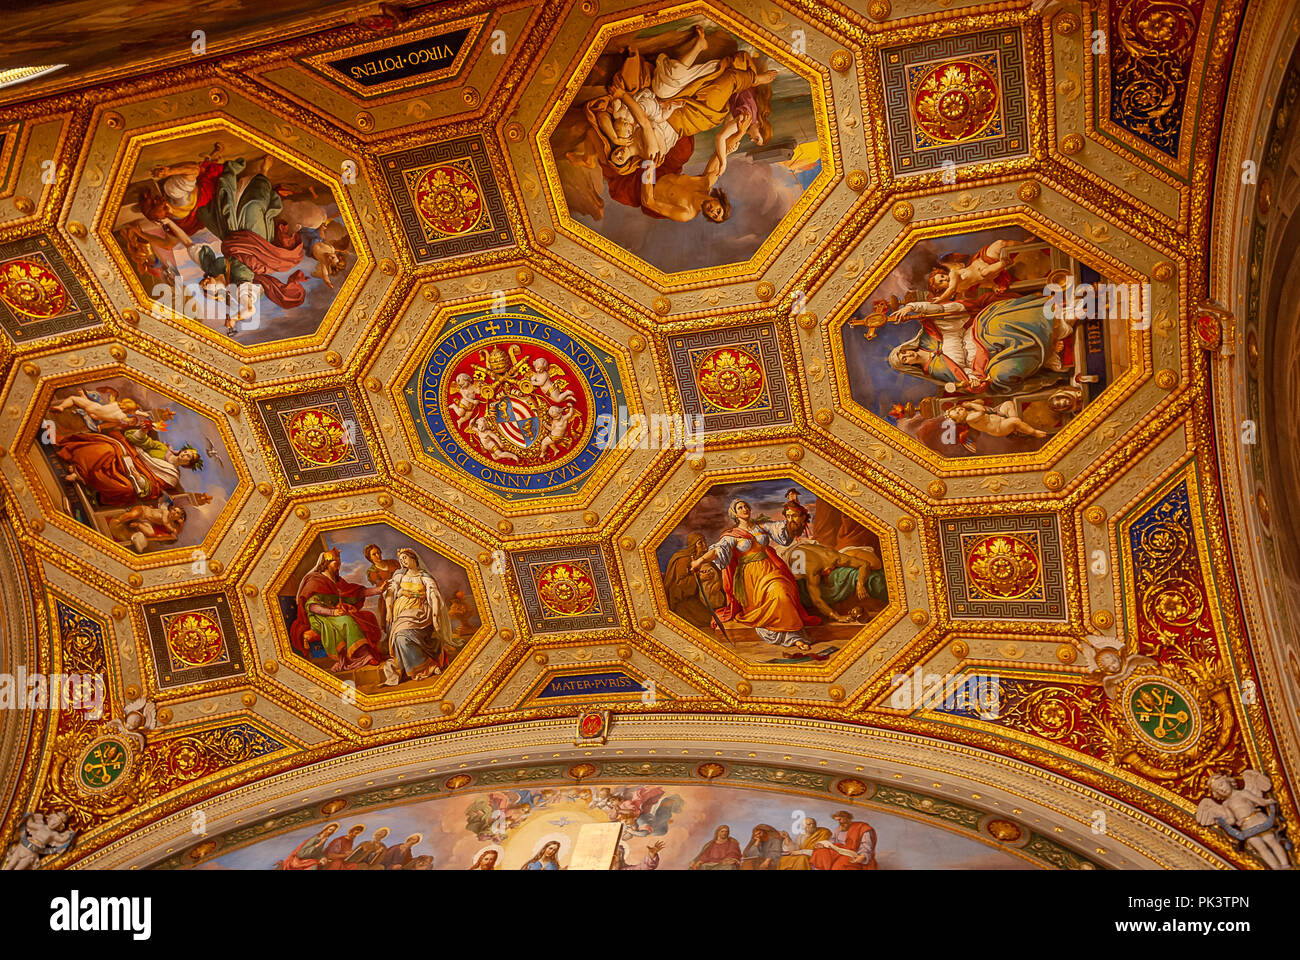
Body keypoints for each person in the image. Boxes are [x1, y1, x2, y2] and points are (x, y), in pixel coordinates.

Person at [690, 499, 821, 650]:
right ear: (735, 513)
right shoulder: (732, 535)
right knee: (776, 598)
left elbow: (783, 530)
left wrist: (793, 518)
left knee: (782, 593)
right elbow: (717, 551)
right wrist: (700, 561)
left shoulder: (762, 526)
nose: (744, 509)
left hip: (770, 569)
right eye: (740, 507)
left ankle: (793, 635)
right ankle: (792, 637)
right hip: (751, 578)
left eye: (746, 506)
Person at [289, 549, 384, 671]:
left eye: (339, 563)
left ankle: (365, 652)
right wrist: (332, 612)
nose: (338, 566)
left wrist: (378, 590)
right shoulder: (316, 580)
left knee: (367, 616)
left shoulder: (337, 581)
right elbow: (312, 606)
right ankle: (363, 656)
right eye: (335, 563)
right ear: (326, 564)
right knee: (347, 620)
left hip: (335, 613)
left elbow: (356, 593)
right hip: (320, 617)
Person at [382, 547, 453, 682]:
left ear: (413, 558)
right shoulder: (399, 575)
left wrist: (435, 617)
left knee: (401, 636)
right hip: (400, 614)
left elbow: (434, 596)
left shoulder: (424, 577)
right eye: (401, 559)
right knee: (399, 636)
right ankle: (426, 667)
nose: (403, 561)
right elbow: (390, 592)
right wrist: (389, 610)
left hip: (420, 613)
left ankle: (424, 667)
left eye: (405, 557)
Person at [811, 811, 877, 870]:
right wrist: (823, 845)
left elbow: (866, 845)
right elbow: (831, 842)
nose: (839, 822)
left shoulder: (862, 828)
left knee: (839, 866)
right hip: (837, 852)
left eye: (840, 819)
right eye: (837, 820)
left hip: (851, 854)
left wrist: (863, 856)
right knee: (820, 852)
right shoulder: (837, 830)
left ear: (847, 818)